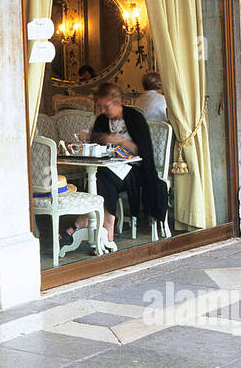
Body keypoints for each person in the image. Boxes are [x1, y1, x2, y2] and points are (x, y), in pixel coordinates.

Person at [62, 81, 168, 246]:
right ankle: (104, 220)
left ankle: (87, 222)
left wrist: (118, 140)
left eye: (106, 106)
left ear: (117, 101)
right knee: (99, 176)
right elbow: (97, 143)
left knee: (100, 178)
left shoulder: (134, 118)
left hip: (136, 170)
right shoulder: (103, 120)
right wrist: (88, 138)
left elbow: (142, 151)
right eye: (101, 107)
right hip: (110, 168)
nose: (103, 111)